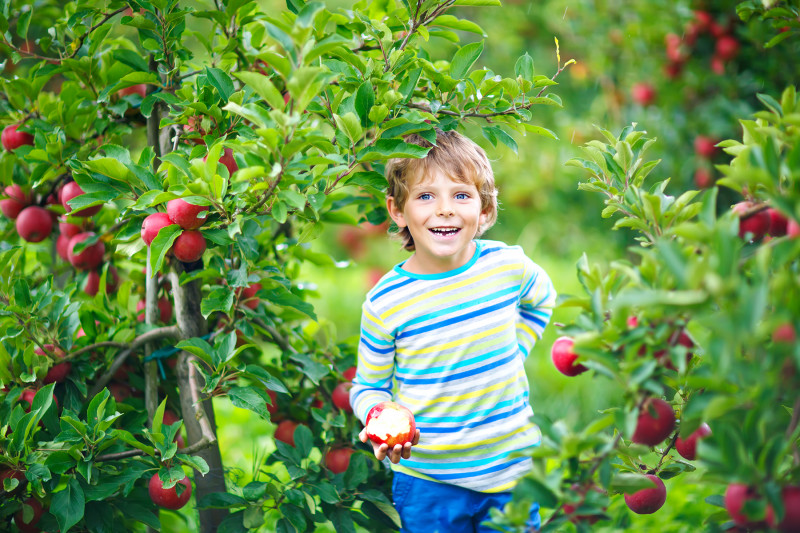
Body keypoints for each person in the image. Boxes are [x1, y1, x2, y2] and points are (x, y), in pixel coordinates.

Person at [349, 129, 557, 533]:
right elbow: (366, 387)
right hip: (430, 482)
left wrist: (515, 351)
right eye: (426, 196)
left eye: (461, 195)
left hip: (512, 474)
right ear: (397, 210)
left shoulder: (507, 266)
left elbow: (542, 300)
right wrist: (379, 413)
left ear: (485, 211)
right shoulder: (386, 302)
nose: (445, 210)